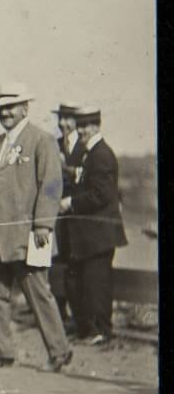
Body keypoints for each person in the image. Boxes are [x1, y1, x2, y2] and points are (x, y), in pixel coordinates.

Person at [0, 82, 72, 372]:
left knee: (38, 292)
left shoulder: (41, 140)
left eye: (11, 106)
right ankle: (2, 351)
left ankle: (59, 351)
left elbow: (51, 185)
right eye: (2, 107)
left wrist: (43, 225)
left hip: (27, 232)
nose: (6, 112)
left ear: (25, 108)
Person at [60, 106, 128, 346]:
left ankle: (102, 332)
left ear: (97, 125)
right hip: (91, 236)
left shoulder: (101, 155)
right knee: (85, 282)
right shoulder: (91, 153)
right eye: (80, 125)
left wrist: (70, 203)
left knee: (97, 284)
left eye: (87, 125)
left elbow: (100, 195)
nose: (82, 130)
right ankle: (92, 331)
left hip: (99, 235)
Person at [51, 102, 85, 330]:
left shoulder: (85, 148)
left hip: (78, 215)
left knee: (77, 263)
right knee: (57, 261)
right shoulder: (53, 145)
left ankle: (79, 316)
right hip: (57, 215)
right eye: (61, 118)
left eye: (68, 119)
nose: (63, 123)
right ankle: (59, 313)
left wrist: (68, 171)